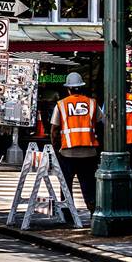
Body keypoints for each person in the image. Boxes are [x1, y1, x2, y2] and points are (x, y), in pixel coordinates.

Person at [50, 72, 104, 216]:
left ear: (68, 89)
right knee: (89, 185)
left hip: (67, 152)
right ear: (81, 87)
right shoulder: (92, 104)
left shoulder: (61, 105)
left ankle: (68, 214)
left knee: (66, 185)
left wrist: (56, 149)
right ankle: (94, 211)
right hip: (89, 152)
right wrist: (99, 147)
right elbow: (101, 126)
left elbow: (54, 130)